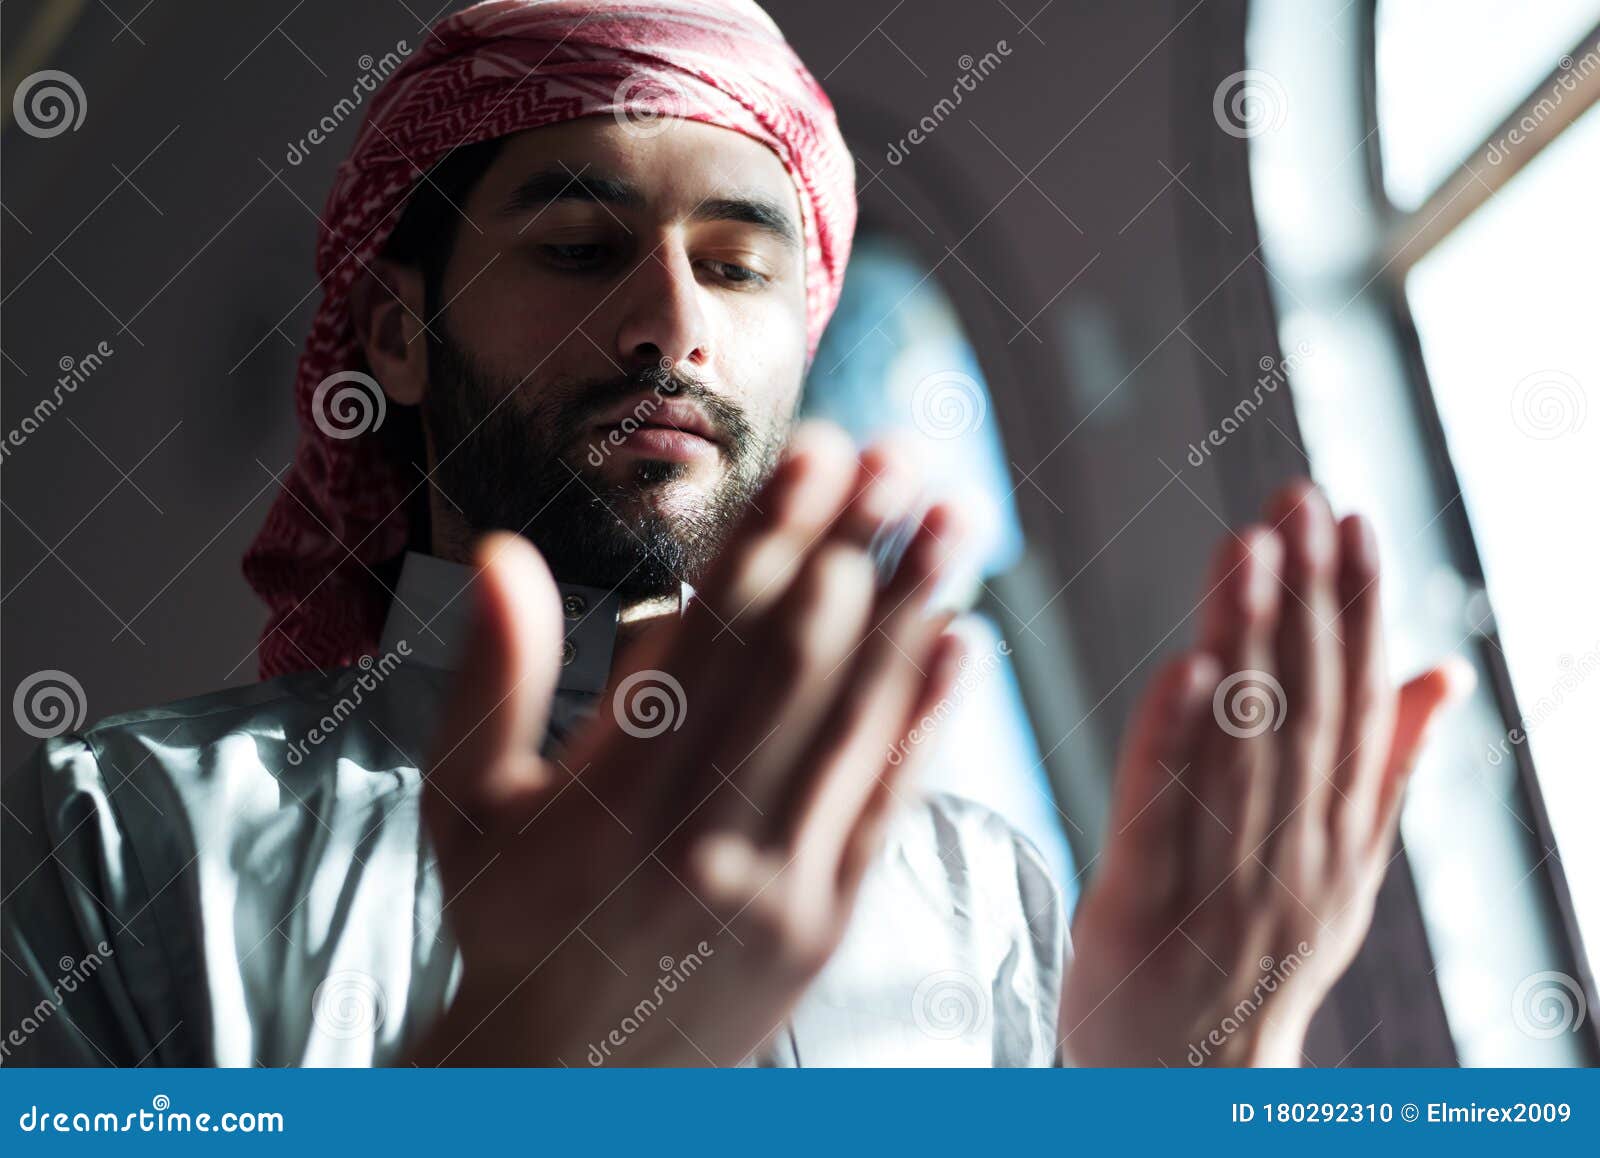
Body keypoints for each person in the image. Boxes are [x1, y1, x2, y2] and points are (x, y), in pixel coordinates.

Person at [0, 0, 1465, 1068]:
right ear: (395, 329)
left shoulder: (982, 890)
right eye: (579, 248)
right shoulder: (120, 835)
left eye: (741, 268)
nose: (670, 326)